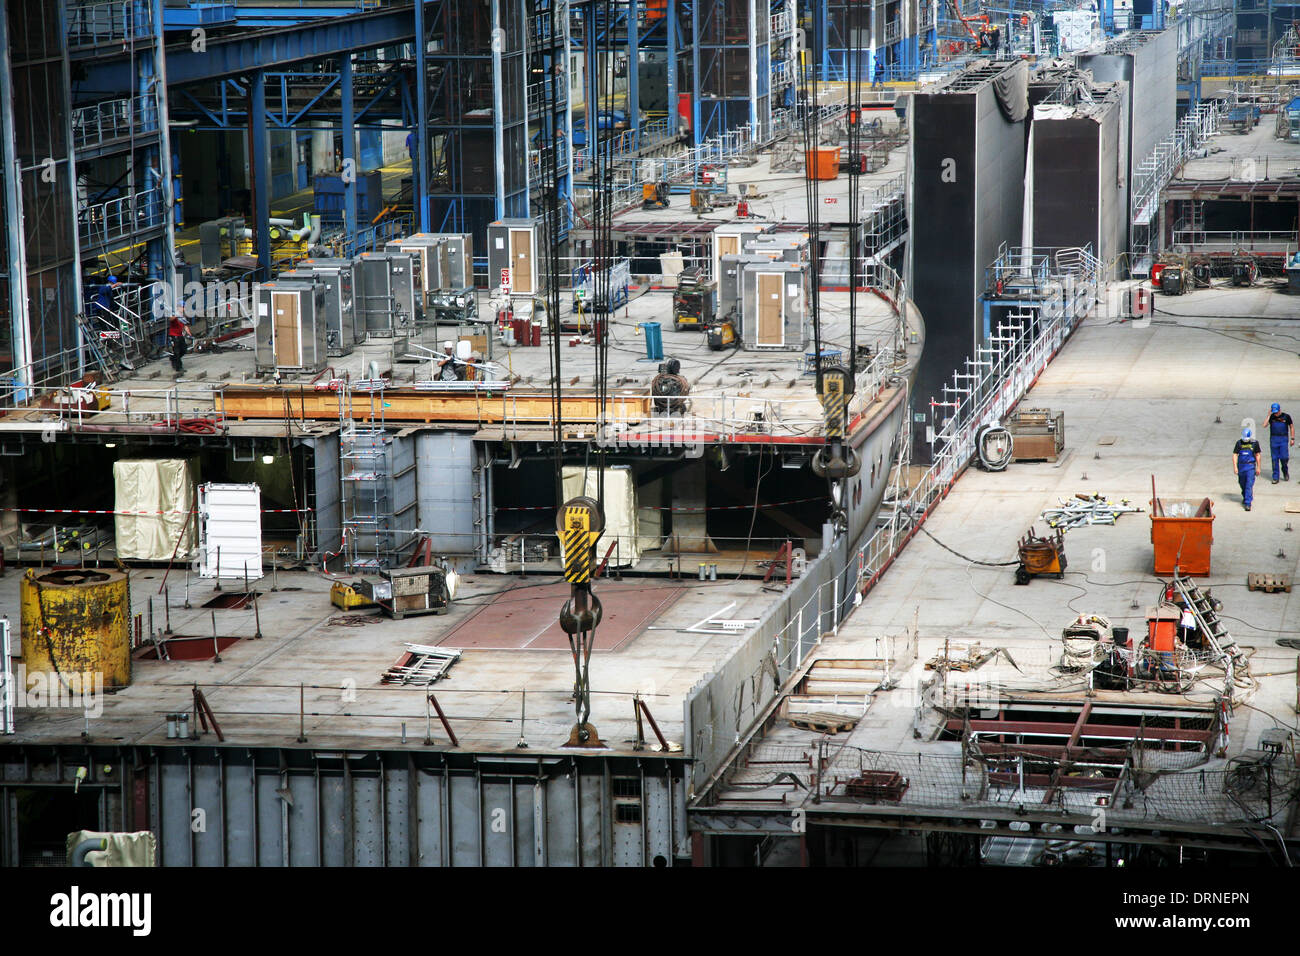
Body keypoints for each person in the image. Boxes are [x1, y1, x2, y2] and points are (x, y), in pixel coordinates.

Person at [1233, 426, 1262, 511]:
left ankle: (1248, 503)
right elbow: (1235, 454)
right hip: (1241, 466)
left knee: (1249, 485)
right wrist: (1235, 467)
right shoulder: (1239, 443)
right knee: (1242, 483)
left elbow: (1257, 455)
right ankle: (1245, 496)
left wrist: (1258, 467)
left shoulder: (1255, 443)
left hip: (1250, 466)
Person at [1266, 402, 1294, 483]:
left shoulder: (1286, 416)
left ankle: (1285, 470)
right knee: (1274, 459)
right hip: (1274, 439)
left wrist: (1292, 438)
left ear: (1279, 410)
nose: (1276, 414)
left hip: (1283, 439)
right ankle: (1275, 477)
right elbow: (1264, 425)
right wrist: (1268, 415)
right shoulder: (1271, 417)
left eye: (1277, 412)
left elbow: (1291, 427)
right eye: (1274, 412)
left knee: (1284, 457)